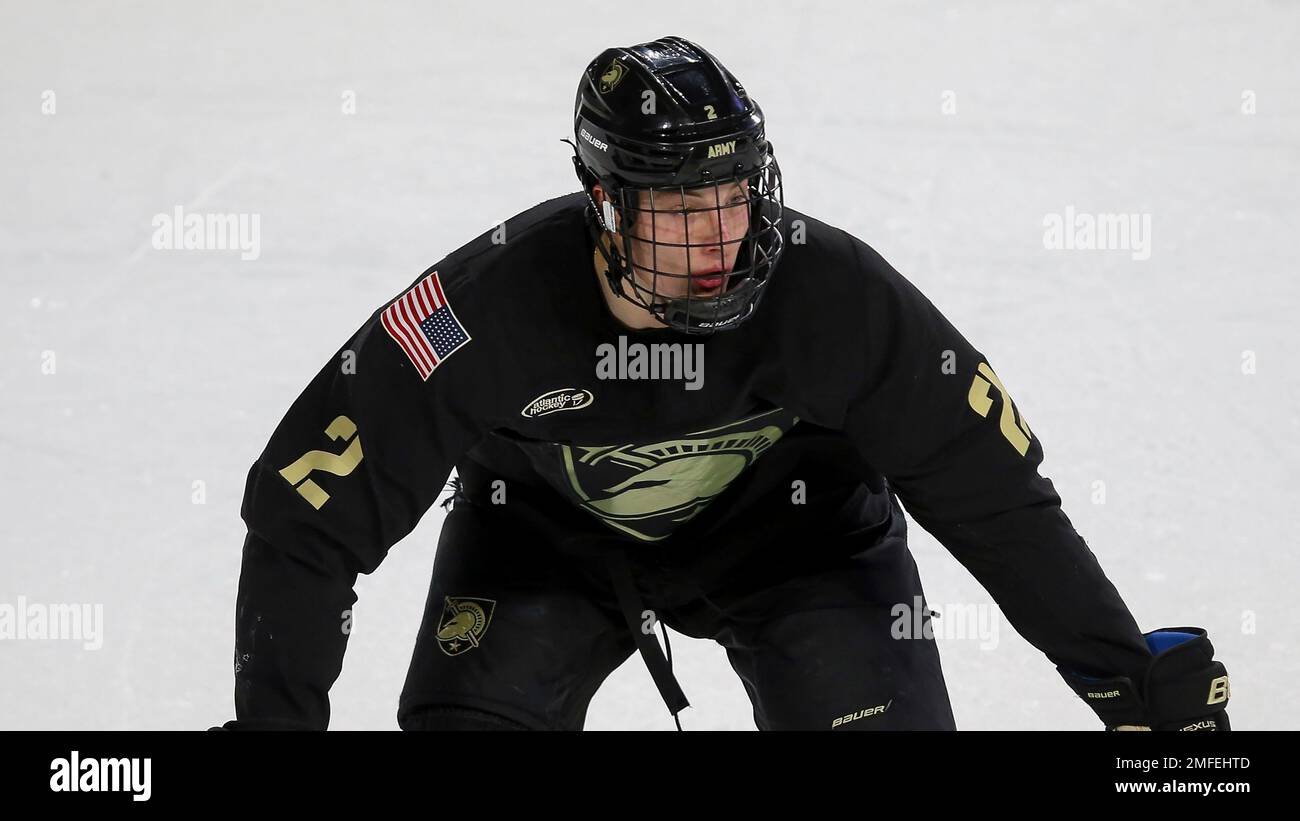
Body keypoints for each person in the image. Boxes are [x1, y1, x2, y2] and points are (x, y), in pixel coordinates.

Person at [220, 36, 1230, 731]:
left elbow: (995, 496)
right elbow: (307, 516)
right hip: (542, 538)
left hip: (799, 538)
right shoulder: (480, 309)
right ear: (603, 203)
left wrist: (1121, 674)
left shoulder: (838, 296)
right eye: (677, 204)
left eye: (733, 193)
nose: (719, 235)